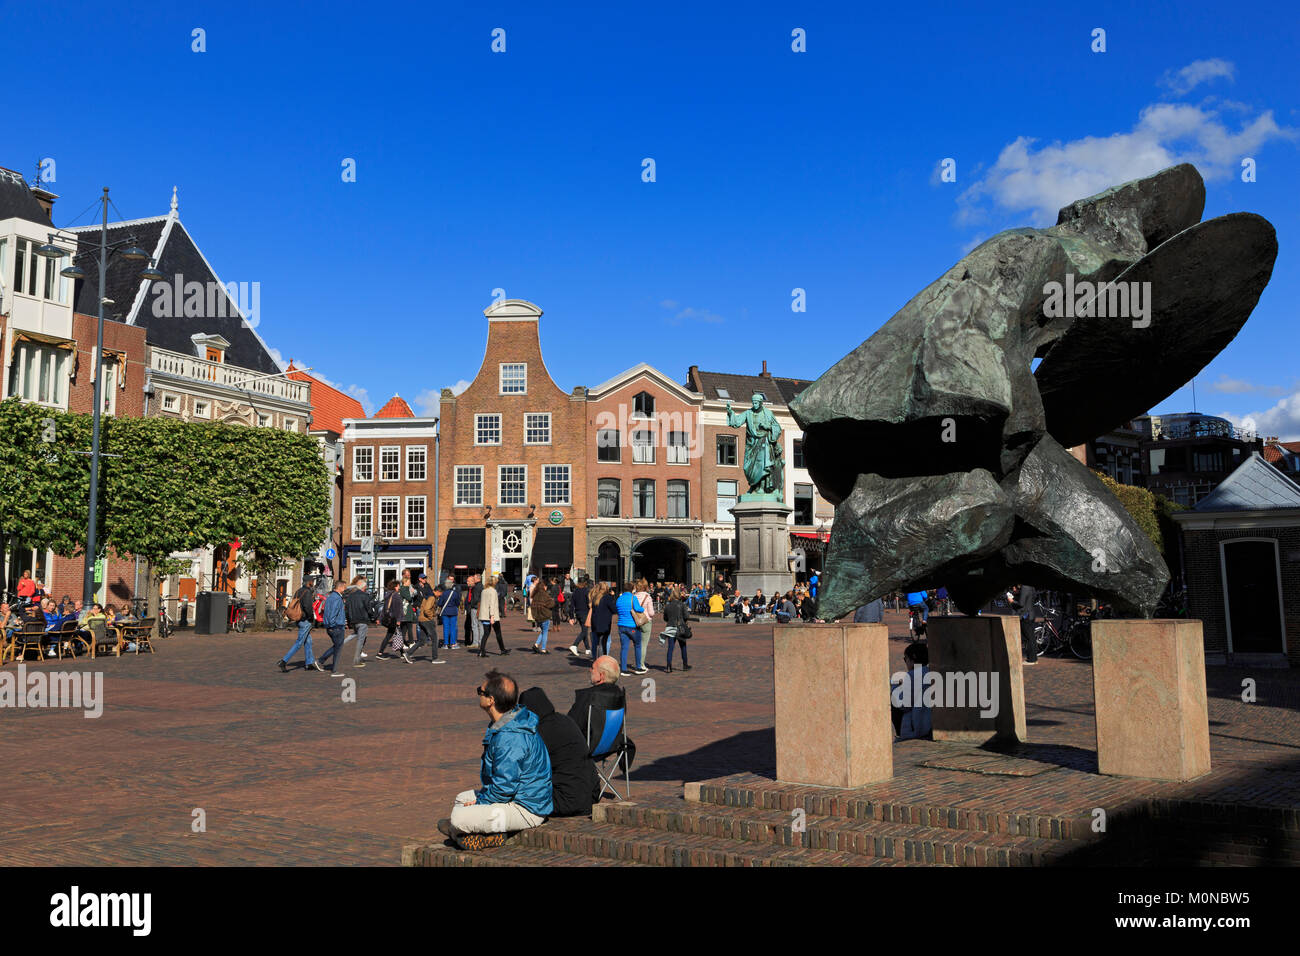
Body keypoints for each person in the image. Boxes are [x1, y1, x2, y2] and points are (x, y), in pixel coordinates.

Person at [437, 671, 552, 850]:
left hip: (527, 808)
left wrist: (480, 802)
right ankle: (472, 833)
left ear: (491, 700)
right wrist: (479, 801)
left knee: (460, 818)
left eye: (480, 692)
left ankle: (471, 833)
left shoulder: (510, 738)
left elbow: (504, 787)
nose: (478, 695)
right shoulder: (508, 722)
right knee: (462, 799)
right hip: (514, 797)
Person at [518, 686, 596, 818]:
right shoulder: (564, 720)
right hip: (591, 796)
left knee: (519, 794)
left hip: (567, 801)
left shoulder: (541, 732)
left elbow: (525, 769)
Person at [567, 655, 636, 774]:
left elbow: (571, 725)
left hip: (589, 748)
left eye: (593, 668)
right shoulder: (619, 695)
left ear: (601, 676)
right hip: (612, 744)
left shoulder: (589, 696)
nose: (590, 670)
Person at [278, 577, 323, 672]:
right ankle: (283, 661)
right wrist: (312, 619)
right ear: (309, 582)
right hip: (305, 620)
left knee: (308, 641)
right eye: (312, 581)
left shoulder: (298, 591)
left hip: (298, 619)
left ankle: (309, 663)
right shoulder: (307, 593)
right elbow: (308, 608)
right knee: (299, 643)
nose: (313, 583)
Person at [891, 642, 933, 739]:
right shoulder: (930, 671)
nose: (905, 662)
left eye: (905, 659)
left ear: (913, 659)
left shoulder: (913, 675)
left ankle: (899, 735)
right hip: (930, 725)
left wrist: (895, 686)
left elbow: (903, 705)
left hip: (917, 729)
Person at [342, 575, 382, 668]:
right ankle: (356, 660)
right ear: (364, 587)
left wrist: (348, 621)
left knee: (355, 634)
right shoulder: (365, 596)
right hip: (362, 620)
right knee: (361, 640)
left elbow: (347, 609)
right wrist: (374, 618)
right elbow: (368, 609)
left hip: (353, 620)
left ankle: (342, 643)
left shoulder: (350, 596)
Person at [660, 586, 698, 674]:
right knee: (683, 646)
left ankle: (668, 666)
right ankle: (685, 665)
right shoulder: (682, 604)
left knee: (670, 648)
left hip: (670, 627)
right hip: (680, 628)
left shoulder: (668, 606)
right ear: (679, 595)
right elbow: (686, 616)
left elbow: (665, 618)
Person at [317, 579, 348, 676]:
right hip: (336, 626)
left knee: (337, 646)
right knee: (338, 647)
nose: (345, 589)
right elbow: (333, 613)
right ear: (340, 587)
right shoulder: (337, 598)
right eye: (344, 587)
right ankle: (333, 669)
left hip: (331, 625)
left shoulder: (330, 597)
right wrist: (332, 624)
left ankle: (321, 661)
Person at [615, 582, 647, 676]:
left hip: (621, 625)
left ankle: (623, 669)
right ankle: (638, 667)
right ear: (632, 589)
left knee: (624, 647)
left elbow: (617, 610)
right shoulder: (633, 598)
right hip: (632, 625)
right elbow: (638, 609)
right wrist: (642, 608)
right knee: (637, 645)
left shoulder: (619, 599)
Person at [477, 574, 508, 657]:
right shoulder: (493, 591)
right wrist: (492, 616)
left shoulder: (484, 591)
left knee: (486, 634)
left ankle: (481, 651)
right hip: (492, 616)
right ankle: (502, 650)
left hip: (484, 616)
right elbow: (492, 604)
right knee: (498, 633)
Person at [375, 580, 403, 660]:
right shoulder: (396, 596)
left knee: (394, 634)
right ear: (395, 587)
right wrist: (399, 619)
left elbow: (384, 608)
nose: (399, 587)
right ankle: (380, 653)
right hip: (394, 619)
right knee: (394, 635)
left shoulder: (387, 595)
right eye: (398, 586)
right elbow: (399, 609)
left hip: (388, 618)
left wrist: (379, 618)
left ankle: (402, 652)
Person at [1012, 584, 1038, 665]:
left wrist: (1012, 601)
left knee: (1028, 638)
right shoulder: (1031, 586)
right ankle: (1034, 658)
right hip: (1031, 614)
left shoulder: (1024, 587)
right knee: (1031, 637)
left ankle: (1031, 659)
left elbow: (1021, 604)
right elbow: (1032, 598)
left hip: (1025, 615)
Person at [632, 578, 654, 671]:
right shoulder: (647, 597)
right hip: (646, 621)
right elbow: (651, 612)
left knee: (637, 644)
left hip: (635, 621)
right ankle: (641, 664)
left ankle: (638, 663)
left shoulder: (633, 596)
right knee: (643, 644)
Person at [529, 577, 556, 653]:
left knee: (543, 631)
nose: (546, 587)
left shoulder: (535, 595)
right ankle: (543, 649)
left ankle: (536, 645)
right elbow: (550, 604)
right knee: (545, 633)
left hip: (537, 616)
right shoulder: (544, 595)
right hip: (544, 615)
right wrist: (552, 600)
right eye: (546, 586)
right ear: (544, 587)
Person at [590, 581, 616, 659]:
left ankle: (595, 658)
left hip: (595, 623)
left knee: (596, 642)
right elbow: (614, 609)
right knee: (602, 643)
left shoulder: (595, 597)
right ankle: (601, 660)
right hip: (604, 624)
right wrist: (613, 597)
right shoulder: (607, 598)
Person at [569, 576, 591, 658]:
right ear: (585, 583)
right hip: (585, 613)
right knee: (584, 631)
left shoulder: (575, 592)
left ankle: (588, 648)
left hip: (578, 613)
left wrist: (571, 616)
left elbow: (572, 605)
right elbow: (588, 603)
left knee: (584, 630)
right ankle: (575, 645)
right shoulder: (586, 591)